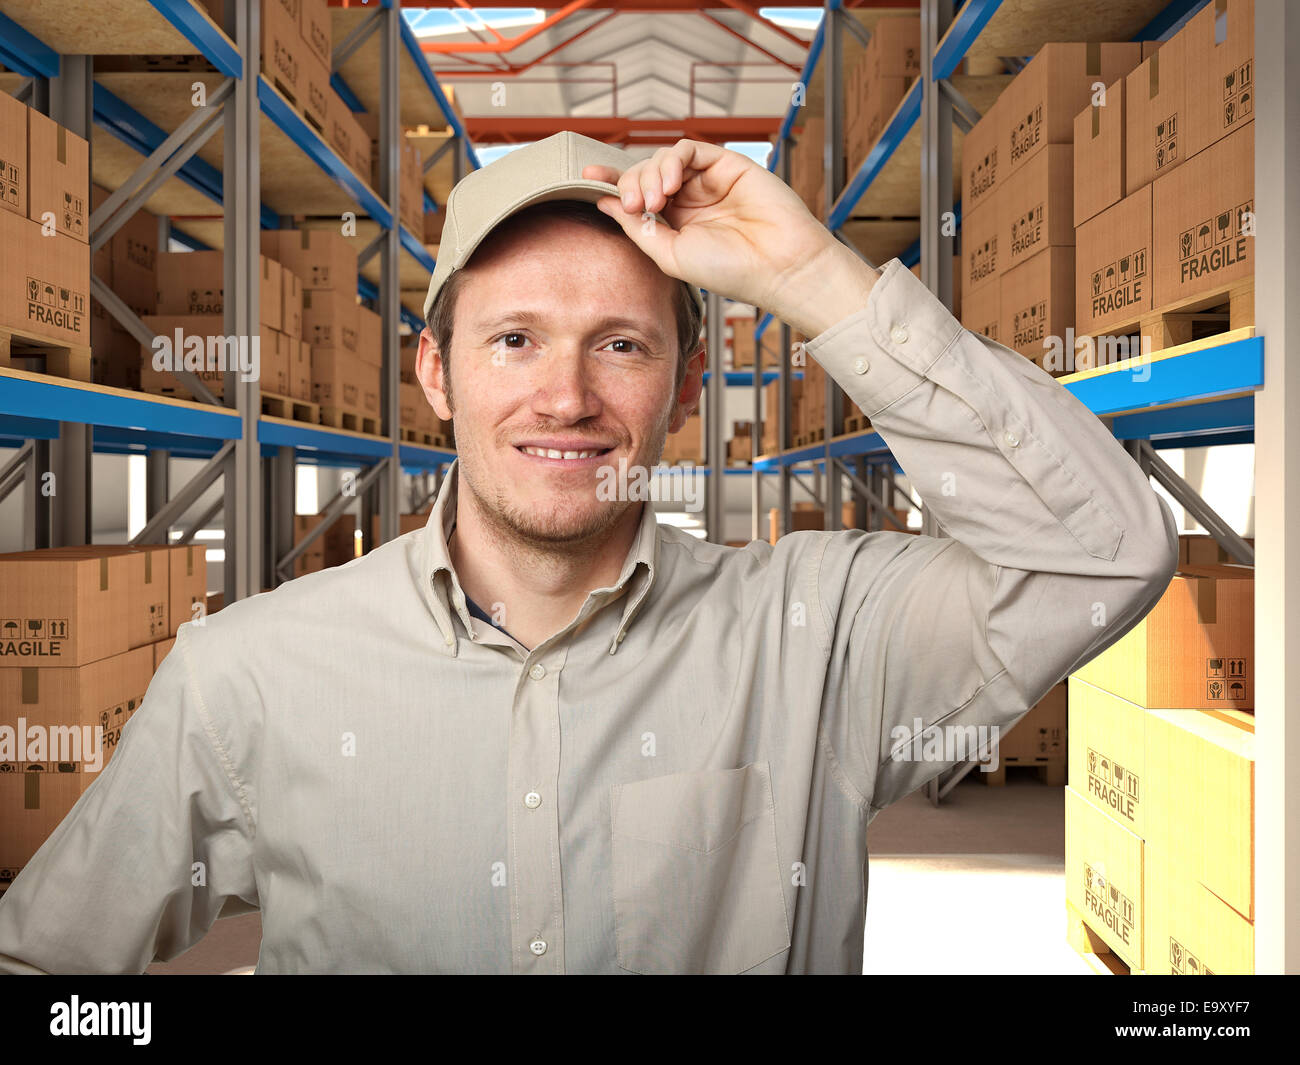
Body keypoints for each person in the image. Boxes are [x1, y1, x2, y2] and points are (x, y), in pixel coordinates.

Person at [0, 132, 1178, 974]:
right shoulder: (245, 675)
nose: (564, 397)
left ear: (684, 391)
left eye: (620, 344)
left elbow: (1101, 554)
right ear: (435, 371)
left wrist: (814, 280)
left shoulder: (820, 637)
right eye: (514, 339)